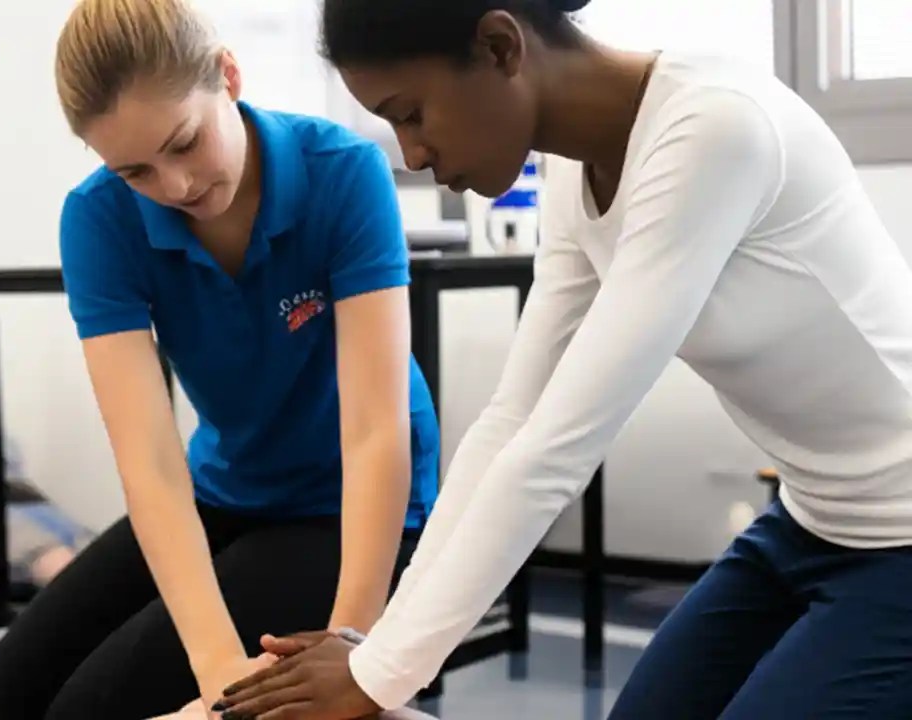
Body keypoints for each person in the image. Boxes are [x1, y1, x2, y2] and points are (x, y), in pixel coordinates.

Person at [217, 0, 912, 718]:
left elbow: (557, 448)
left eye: (412, 114)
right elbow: (512, 419)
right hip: (809, 521)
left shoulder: (715, 129)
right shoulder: (575, 176)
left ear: (499, 46)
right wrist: (379, 647)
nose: (411, 155)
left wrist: (379, 676)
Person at [0, 0, 442, 718]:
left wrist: (352, 649)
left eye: (185, 143)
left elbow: (376, 430)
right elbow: (150, 462)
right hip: (225, 492)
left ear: (228, 76)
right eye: (136, 171)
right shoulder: (98, 217)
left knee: (88, 710)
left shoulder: (343, 172)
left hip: (347, 506)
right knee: (0, 701)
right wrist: (214, 662)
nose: (176, 187)